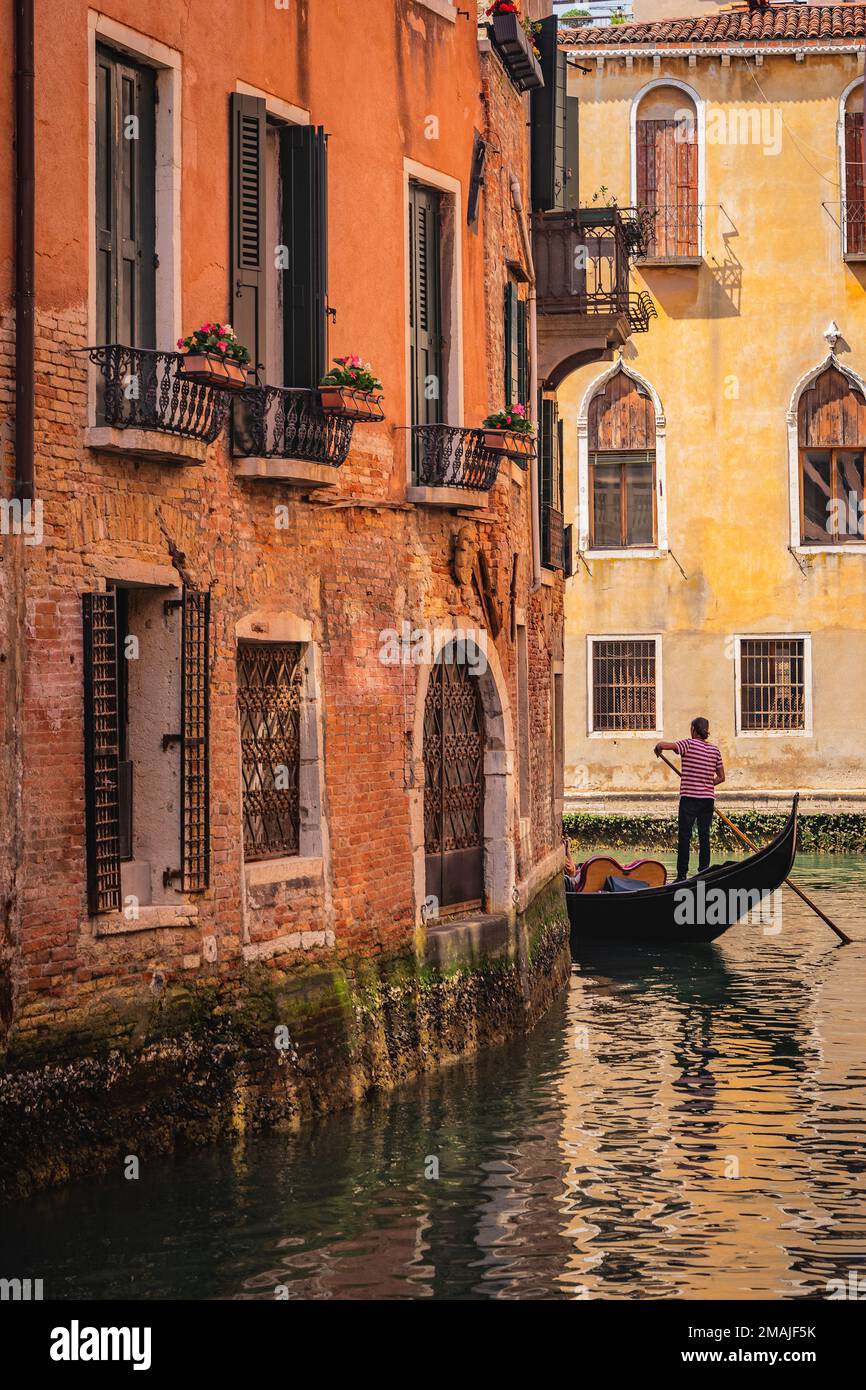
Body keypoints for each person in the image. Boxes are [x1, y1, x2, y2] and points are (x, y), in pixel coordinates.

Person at [654, 717, 725, 881]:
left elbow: (664, 745)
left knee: (685, 836)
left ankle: (681, 876)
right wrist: (707, 783)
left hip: (690, 799)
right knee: (704, 836)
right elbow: (721, 777)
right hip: (707, 799)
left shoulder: (688, 744)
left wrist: (657, 748)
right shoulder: (715, 750)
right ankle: (704, 872)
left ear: (694, 729)